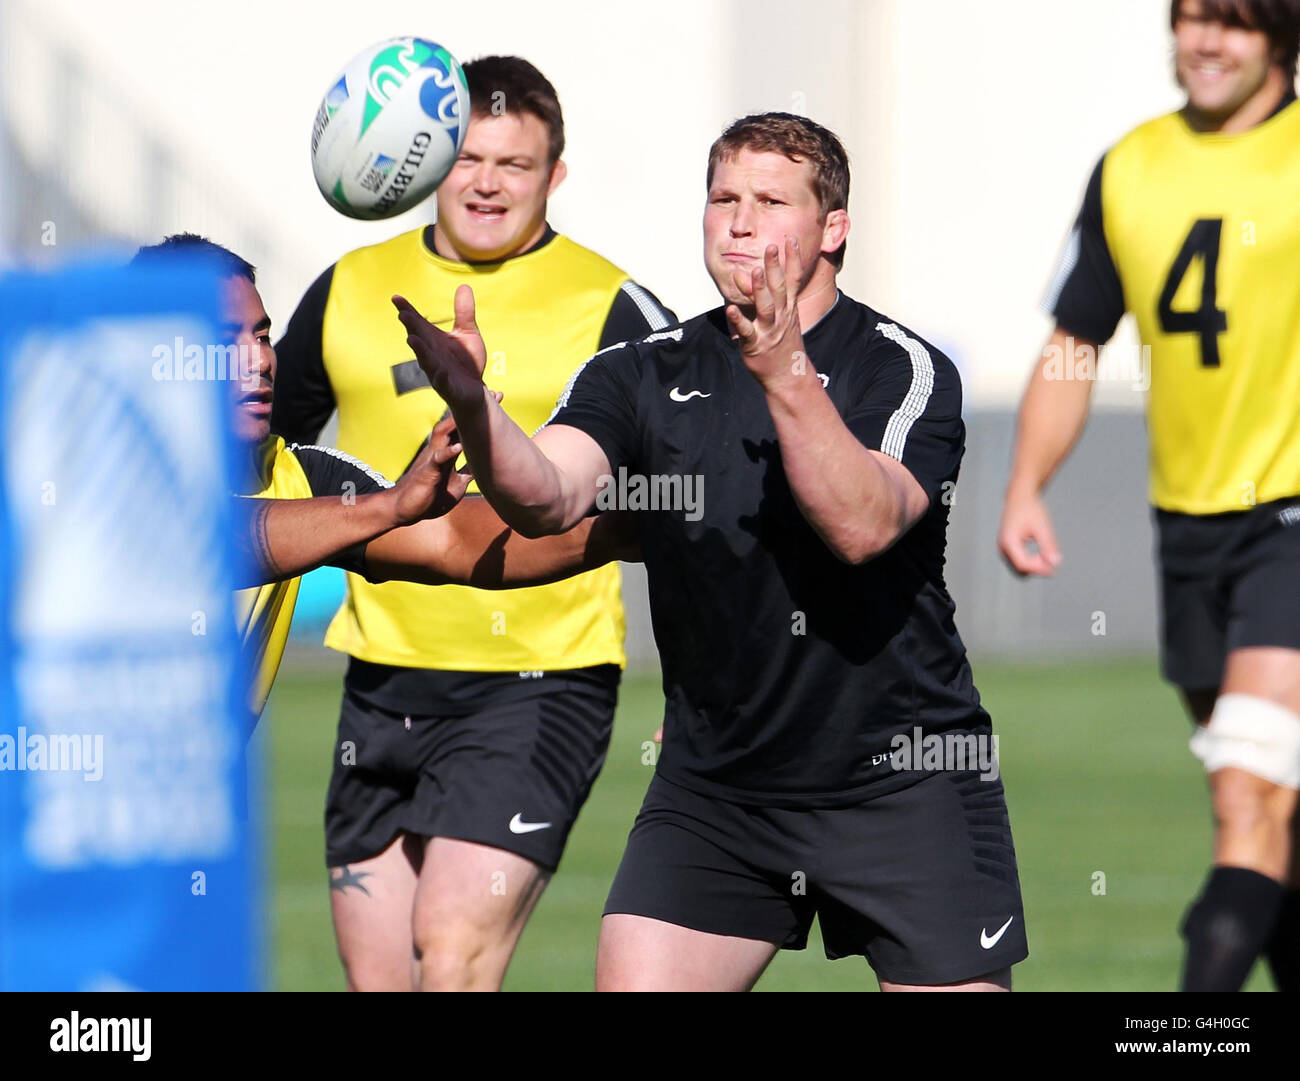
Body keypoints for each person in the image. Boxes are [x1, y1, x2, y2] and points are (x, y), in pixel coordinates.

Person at [397, 111, 1029, 991]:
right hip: (718, 790)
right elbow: (548, 496)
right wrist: (478, 411)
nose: (739, 220)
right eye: (723, 197)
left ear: (832, 229)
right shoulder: (641, 369)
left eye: (771, 200)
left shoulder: (903, 367)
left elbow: (862, 523)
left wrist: (783, 370)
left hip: (901, 779)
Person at [271, 55, 674, 991]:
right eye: (468, 157)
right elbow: (262, 452)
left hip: (540, 680)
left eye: (516, 163)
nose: (487, 182)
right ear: (429, 158)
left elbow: (687, 461)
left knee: (449, 957)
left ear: (555, 176)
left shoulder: (611, 301)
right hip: (379, 678)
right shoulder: (348, 286)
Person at [998, 0, 1300, 991]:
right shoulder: (1130, 165)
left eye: (1234, 23)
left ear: (1280, 38)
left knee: (1245, 800)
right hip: (1189, 530)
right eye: (1190, 18)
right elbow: (1076, 339)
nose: (1205, 41)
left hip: (1291, 520)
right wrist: (1026, 485)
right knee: (1268, 816)